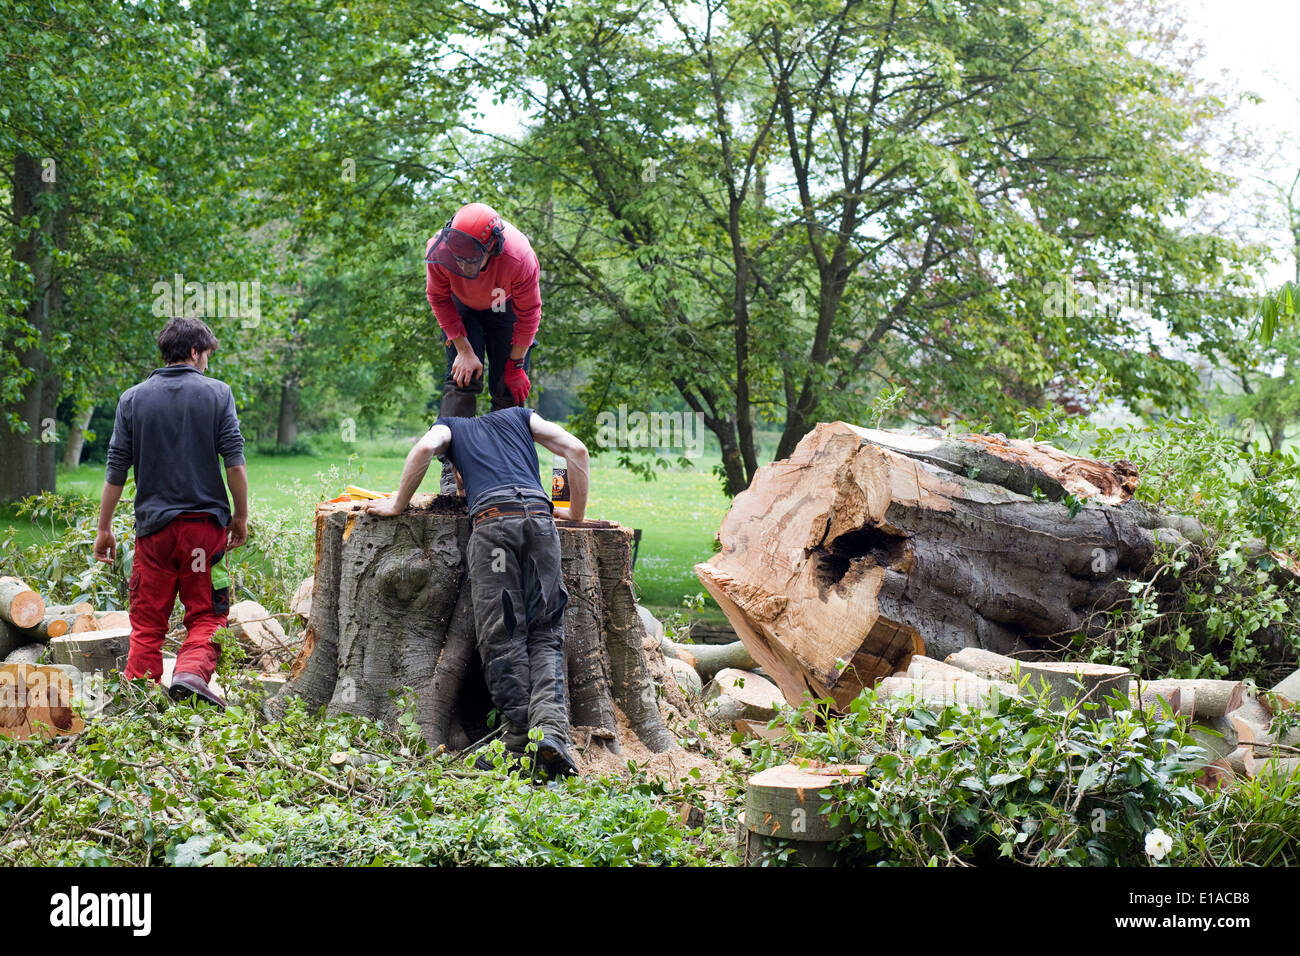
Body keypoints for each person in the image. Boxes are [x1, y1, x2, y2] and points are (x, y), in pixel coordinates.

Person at [363, 405, 589, 778]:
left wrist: (397, 504)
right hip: (541, 524)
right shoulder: (521, 416)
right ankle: (551, 734)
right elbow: (577, 451)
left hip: (495, 527)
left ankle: (520, 741)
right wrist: (576, 514)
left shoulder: (449, 427)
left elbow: (422, 450)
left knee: (503, 635)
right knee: (546, 632)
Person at [94, 317, 248, 710]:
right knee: (207, 614)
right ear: (194, 352)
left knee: (147, 622)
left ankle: (141, 702)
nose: (208, 365)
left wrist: (105, 529)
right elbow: (234, 463)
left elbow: (116, 469)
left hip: (154, 534)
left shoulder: (132, 399)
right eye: (207, 356)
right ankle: (190, 676)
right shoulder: (217, 394)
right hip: (203, 533)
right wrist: (241, 517)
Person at [425, 202, 542, 494]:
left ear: (493, 247)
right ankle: (452, 469)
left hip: (506, 307)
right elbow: (438, 299)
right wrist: (464, 351)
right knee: (462, 380)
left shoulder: (519, 257)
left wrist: (515, 367)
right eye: (457, 257)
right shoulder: (439, 251)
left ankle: (505, 468)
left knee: (507, 388)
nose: (461, 265)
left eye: (469, 259)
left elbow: (530, 315)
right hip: (461, 306)